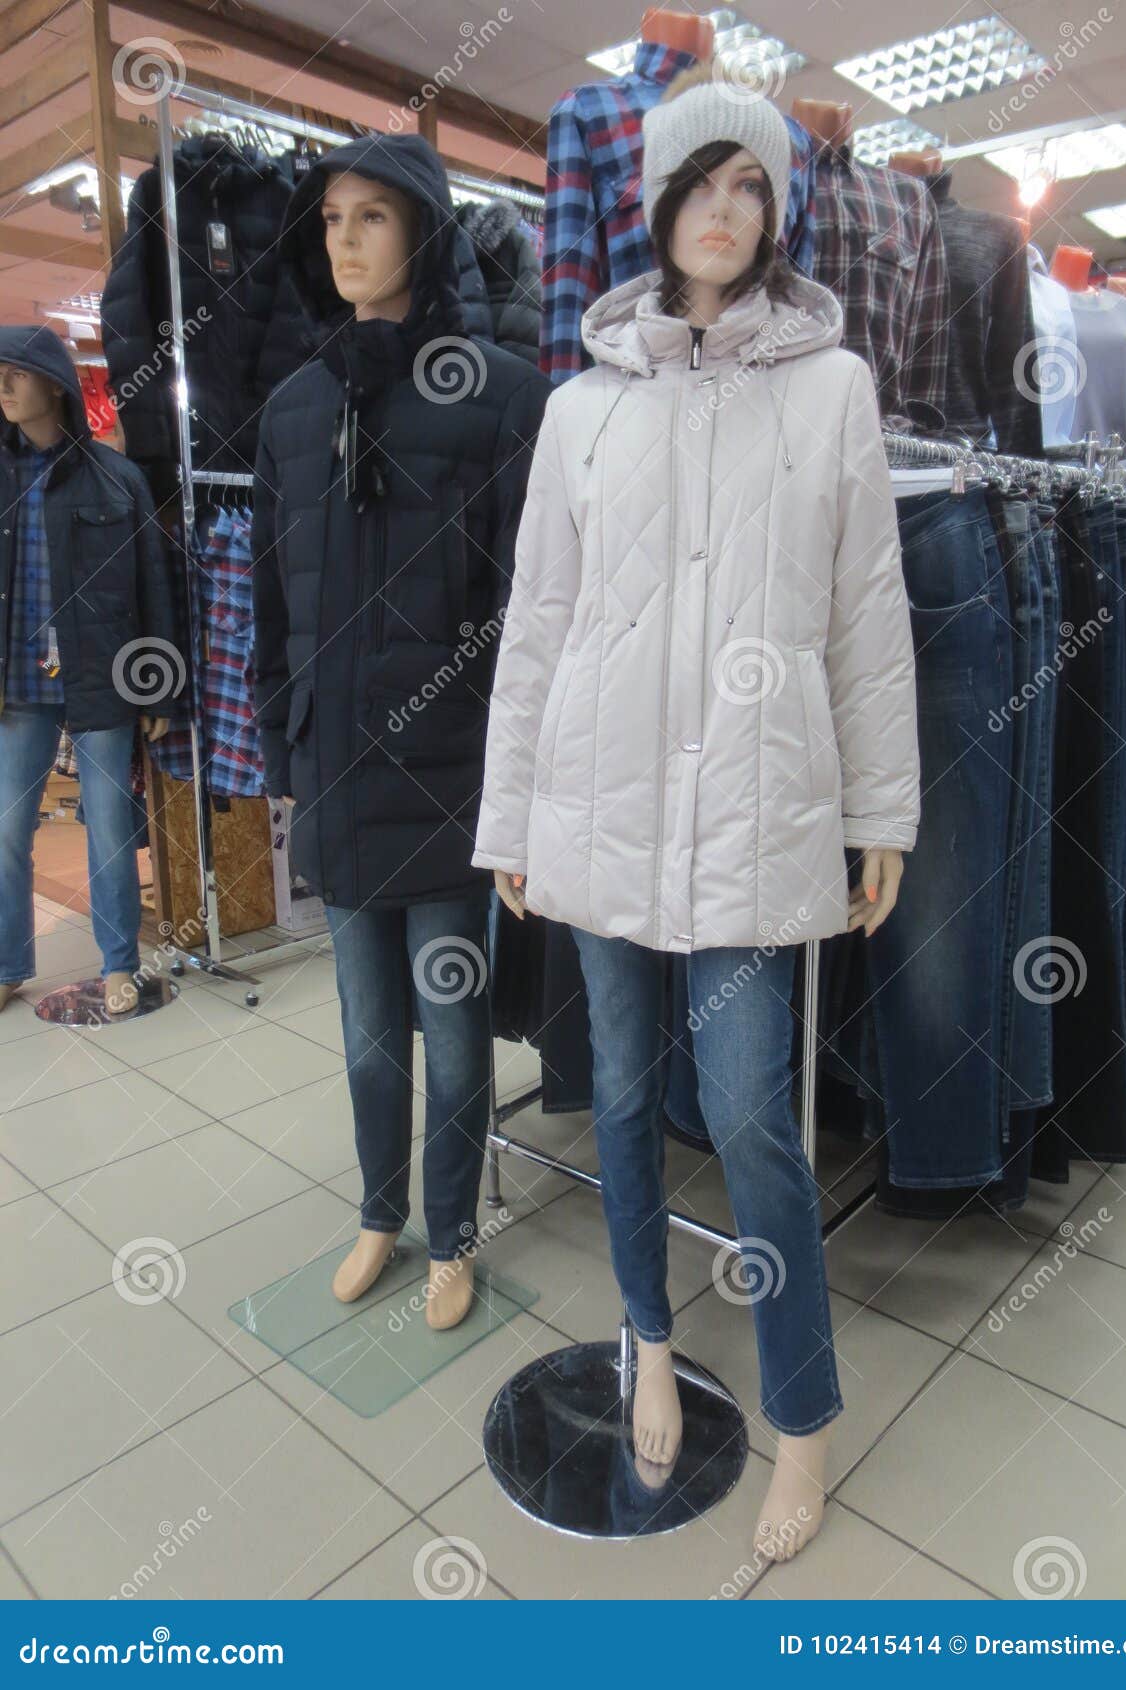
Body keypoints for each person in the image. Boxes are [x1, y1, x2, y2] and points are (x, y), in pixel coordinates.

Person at [473, 69, 921, 1559]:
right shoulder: (584, 406)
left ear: (778, 208)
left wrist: (885, 808)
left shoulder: (834, 388)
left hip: (752, 812)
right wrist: (510, 814)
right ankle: (648, 1336)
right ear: (654, 201)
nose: (724, 212)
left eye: (751, 187)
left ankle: (805, 1417)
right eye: (699, 183)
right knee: (612, 1099)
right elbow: (538, 621)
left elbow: (866, 615)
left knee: (749, 1121)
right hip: (595, 808)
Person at [253, 135, 548, 1325]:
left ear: (421, 233)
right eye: (331, 219)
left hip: (451, 769)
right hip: (335, 763)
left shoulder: (503, 397)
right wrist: (286, 748)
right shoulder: (291, 409)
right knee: (367, 1019)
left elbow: (535, 609)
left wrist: (518, 773)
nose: (345, 239)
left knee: (450, 1013)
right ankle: (381, 1213)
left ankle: (453, 1231)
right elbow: (278, 605)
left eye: (372, 217)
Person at [0, 327, 175, 1019]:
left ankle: (118, 964)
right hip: (19, 681)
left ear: (55, 385)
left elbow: (154, 586)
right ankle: (11, 963)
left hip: (102, 677)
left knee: (108, 824)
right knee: (9, 825)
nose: (5, 386)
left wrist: (160, 684)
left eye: (16, 373)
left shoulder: (116, 477)